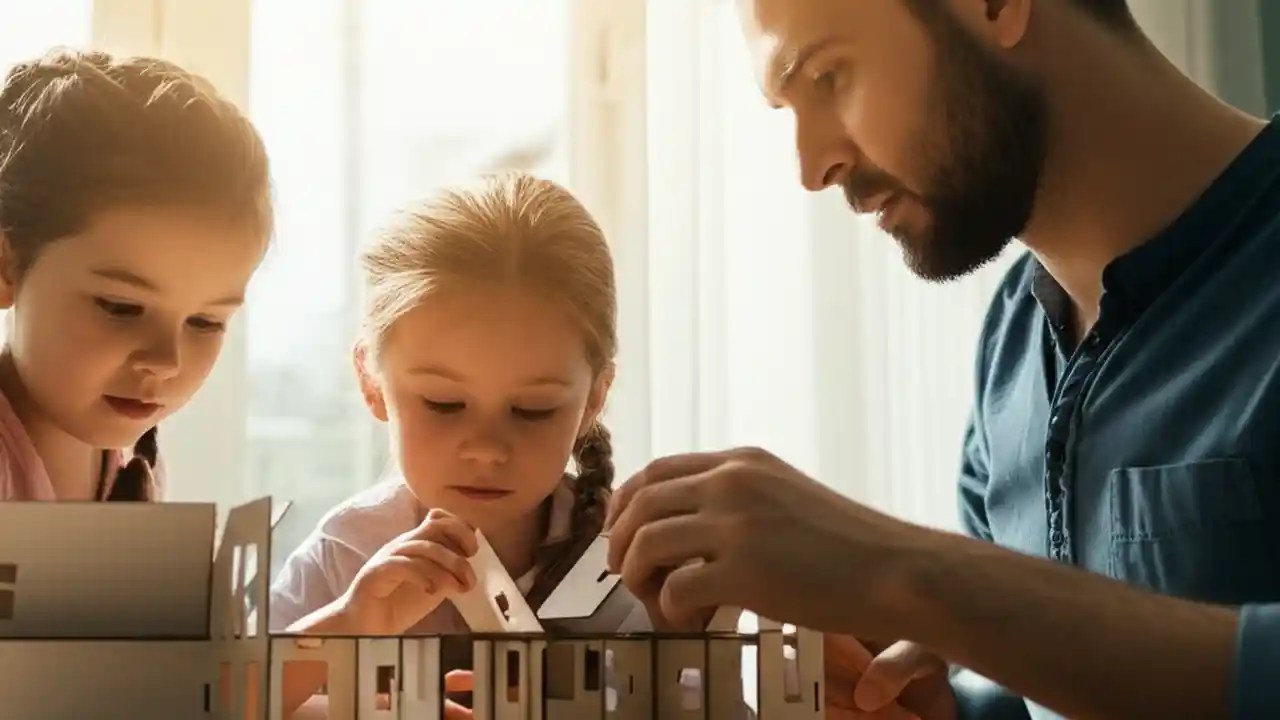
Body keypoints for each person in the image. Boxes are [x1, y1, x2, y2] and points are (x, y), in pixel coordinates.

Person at [604, 0, 1280, 718]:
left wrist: (901, 574)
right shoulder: (1012, 350)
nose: (812, 167)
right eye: (787, 108)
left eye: (829, 76)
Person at [268, 171, 641, 716]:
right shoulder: (346, 555)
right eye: (443, 404)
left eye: (532, 410)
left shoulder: (632, 560)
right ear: (372, 382)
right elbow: (210, 703)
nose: (486, 449)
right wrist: (348, 625)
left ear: (594, 398)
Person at [0, 48, 272, 503]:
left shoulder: (137, 461)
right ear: (6, 266)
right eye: (122, 308)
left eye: (205, 322)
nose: (166, 361)